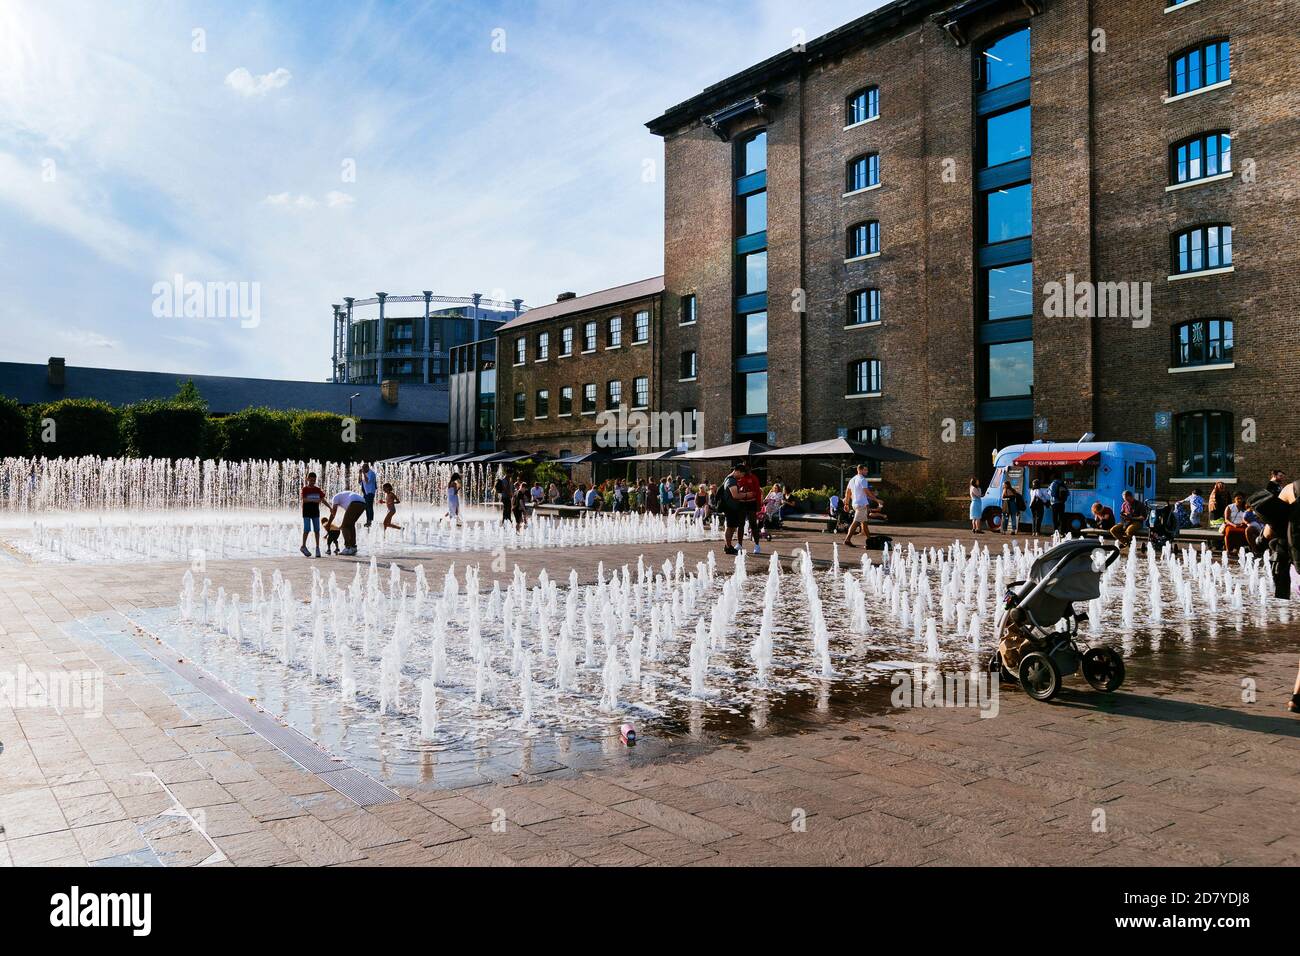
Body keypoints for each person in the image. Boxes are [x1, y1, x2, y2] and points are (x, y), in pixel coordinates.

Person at [844, 463, 881, 548]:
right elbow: (867, 492)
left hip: (855, 504)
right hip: (861, 505)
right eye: (865, 470)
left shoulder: (852, 479)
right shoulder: (862, 480)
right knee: (856, 522)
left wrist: (846, 503)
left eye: (867, 470)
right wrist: (877, 500)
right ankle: (847, 539)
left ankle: (870, 540)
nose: (867, 471)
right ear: (859, 470)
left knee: (864, 523)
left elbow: (847, 493)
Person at [325, 489, 367, 555]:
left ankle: (347, 547)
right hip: (363, 503)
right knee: (351, 525)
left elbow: (333, 512)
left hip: (354, 502)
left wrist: (329, 524)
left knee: (344, 526)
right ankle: (353, 547)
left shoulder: (335, 498)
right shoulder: (344, 497)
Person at [735, 464, 763, 553]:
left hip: (752, 503)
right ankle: (739, 544)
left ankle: (757, 545)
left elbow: (758, 491)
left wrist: (759, 504)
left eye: (747, 468)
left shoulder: (753, 477)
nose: (746, 470)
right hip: (742, 503)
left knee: (753, 524)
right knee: (740, 524)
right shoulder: (739, 477)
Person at [300, 471, 326, 558]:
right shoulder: (305, 489)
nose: (312, 481)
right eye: (310, 480)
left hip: (315, 512)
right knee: (307, 529)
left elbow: (322, 500)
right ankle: (303, 546)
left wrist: (330, 507)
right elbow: (304, 499)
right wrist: (315, 500)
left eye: (314, 480)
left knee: (317, 530)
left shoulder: (317, 489)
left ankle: (317, 548)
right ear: (307, 479)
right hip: (306, 512)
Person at [359, 462, 379, 527]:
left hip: (370, 492)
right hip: (366, 493)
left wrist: (363, 473)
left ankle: (370, 521)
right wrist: (360, 474)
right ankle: (368, 521)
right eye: (362, 468)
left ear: (367, 467)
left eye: (364, 468)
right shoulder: (365, 473)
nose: (363, 470)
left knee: (369, 506)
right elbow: (359, 482)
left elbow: (367, 481)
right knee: (366, 507)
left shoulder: (371, 473)